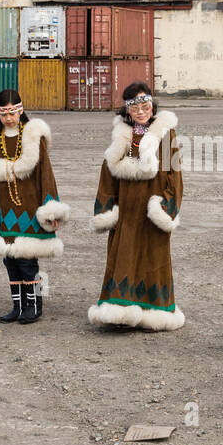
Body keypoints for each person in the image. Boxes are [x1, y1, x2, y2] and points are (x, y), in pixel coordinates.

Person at [0, 89, 69, 324]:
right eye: (3, 114)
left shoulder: (33, 137)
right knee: (9, 258)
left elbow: (46, 174)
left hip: (29, 205)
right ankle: (18, 306)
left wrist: (51, 208)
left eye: (12, 113)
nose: (8, 118)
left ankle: (35, 305)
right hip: (1, 207)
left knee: (27, 259)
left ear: (20, 111)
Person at [88, 82, 185, 330]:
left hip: (152, 208)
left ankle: (154, 311)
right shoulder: (121, 136)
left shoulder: (167, 134)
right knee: (124, 256)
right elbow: (107, 174)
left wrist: (165, 207)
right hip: (128, 210)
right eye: (135, 108)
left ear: (152, 106)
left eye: (145, 106)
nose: (141, 112)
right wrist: (106, 209)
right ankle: (121, 311)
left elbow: (174, 174)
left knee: (153, 257)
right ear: (127, 110)